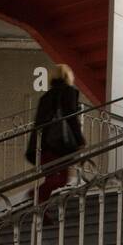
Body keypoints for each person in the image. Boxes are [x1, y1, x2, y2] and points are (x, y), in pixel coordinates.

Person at [25, 64, 86, 204]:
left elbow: (39, 123)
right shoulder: (68, 92)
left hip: (42, 146)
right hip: (59, 144)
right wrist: (80, 140)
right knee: (62, 179)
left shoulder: (46, 96)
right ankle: (35, 194)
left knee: (52, 178)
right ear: (67, 76)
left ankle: (41, 209)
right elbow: (71, 117)